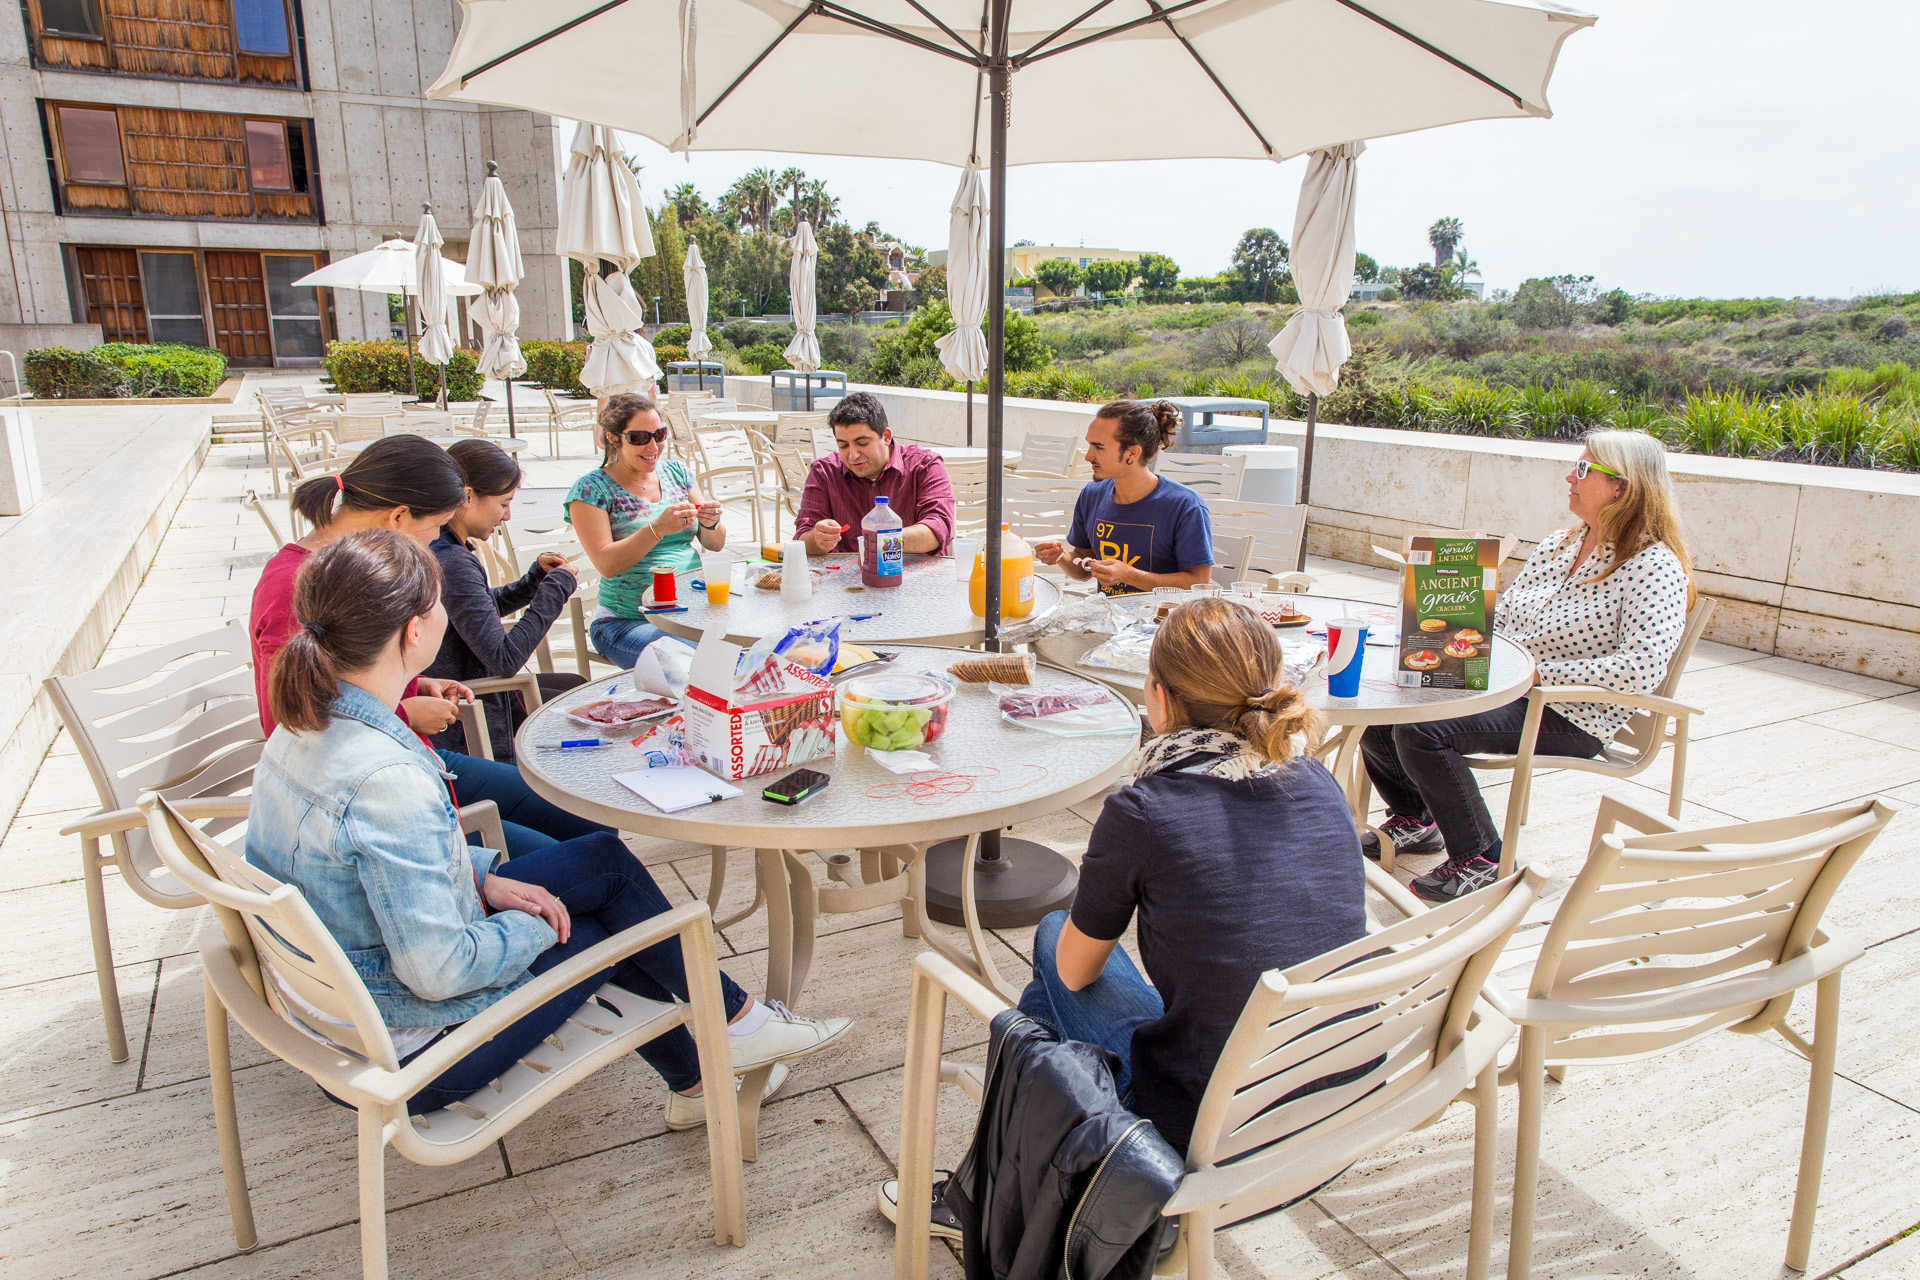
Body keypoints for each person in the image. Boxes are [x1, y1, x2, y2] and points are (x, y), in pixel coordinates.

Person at [248, 529, 851, 1124]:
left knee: (604, 865)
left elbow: (370, 873)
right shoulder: (387, 777)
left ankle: (724, 1045)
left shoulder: (304, 727)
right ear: (414, 630)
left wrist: (483, 878)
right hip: (420, 1050)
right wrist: (534, 925)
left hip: (349, 1004)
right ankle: (732, 1037)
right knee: (612, 923)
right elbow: (440, 972)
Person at [1017, 597, 1366, 1157]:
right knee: (1051, 1001)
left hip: (1217, 1124)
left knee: (1055, 940)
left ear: (1157, 694)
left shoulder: (1144, 810)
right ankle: (1016, 1177)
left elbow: (1076, 973)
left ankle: (1010, 1185)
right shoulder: (1315, 777)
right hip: (1341, 1093)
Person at [1360, 429, 1695, 903]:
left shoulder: (1653, 567)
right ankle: (1417, 819)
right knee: (1386, 702)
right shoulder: (1561, 544)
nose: (1569, 477)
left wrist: (1541, 675)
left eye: (1583, 469)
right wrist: (1443, 616)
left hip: (1570, 712)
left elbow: (1641, 667)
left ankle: (1485, 859)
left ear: (1621, 487)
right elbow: (1506, 618)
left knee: (1423, 730)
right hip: (1507, 689)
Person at [251, 434, 607, 858]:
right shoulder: (294, 584)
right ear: (399, 516)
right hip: (381, 795)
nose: (437, 539)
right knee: (594, 853)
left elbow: (348, 673)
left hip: (412, 757)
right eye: (437, 525)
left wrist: (418, 684)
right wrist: (404, 712)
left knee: (588, 817)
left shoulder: (358, 562)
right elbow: (290, 722)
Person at [423, 438, 584, 763]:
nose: (508, 516)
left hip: (471, 690)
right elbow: (504, 660)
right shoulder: (453, 561)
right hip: (469, 713)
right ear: (468, 496)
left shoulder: (440, 544)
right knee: (581, 709)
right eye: (503, 503)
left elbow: (476, 611)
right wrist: (556, 589)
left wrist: (533, 582)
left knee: (575, 684)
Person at [567, 393, 727, 669]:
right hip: (625, 621)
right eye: (640, 438)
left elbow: (715, 544)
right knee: (702, 663)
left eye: (660, 434)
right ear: (613, 438)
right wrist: (657, 529)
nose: (653, 446)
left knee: (751, 648)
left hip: (690, 614)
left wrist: (710, 523)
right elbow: (606, 564)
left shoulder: (677, 473)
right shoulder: (592, 489)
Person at [1032, 400, 1214, 595]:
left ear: (1132, 453)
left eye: (1099, 447)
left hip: (1165, 622)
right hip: (1110, 620)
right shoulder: (1092, 495)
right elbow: (1084, 566)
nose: (1088, 456)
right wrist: (1062, 557)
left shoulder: (1184, 506)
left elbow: (1200, 584)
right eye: (1089, 445)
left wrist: (1130, 576)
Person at [794, 392, 955, 556]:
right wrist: (817, 538)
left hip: (918, 575)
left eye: (862, 443)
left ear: (886, 436)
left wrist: (881, 541)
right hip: (850, 579)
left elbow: (938, 528)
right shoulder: (824, 472)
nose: (853, 455)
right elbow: (802, 539)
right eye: (843, 446)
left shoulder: (925, 465)